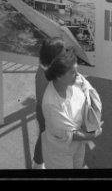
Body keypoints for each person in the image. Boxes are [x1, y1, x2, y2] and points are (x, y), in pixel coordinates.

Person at [41, 45, 103, 169]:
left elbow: (90, 94)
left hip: (78, 146)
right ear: (59, 76)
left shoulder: (76, 81)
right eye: (72, 73)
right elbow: (71, 134)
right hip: (60, 152)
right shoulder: (51, 104)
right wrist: (93, 135)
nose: (77, 75)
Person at [32, 38, 67, 169]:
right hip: (47, 114)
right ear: (54, 58)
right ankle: (38, 163)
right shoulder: (46, 76)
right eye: (63, 55)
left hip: (49, 112)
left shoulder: (47, 68)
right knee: (45, 139)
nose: (65, 57)